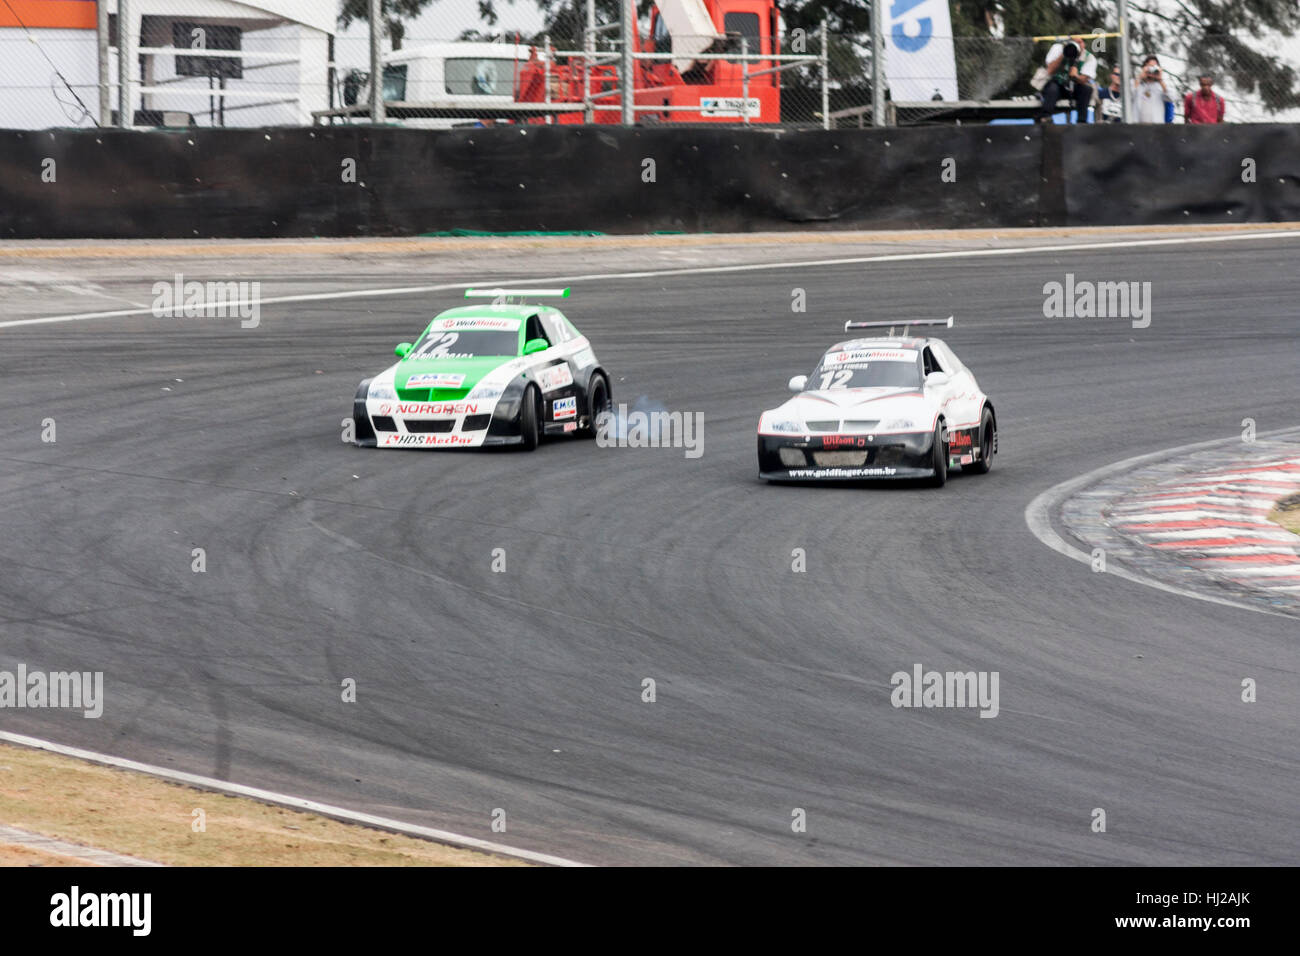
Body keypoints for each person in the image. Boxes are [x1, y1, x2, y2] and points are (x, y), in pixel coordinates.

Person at [1039, 36, 1096, 123]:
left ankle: (1081, 121)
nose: (1077, 45)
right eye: (1074, 42)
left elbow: (1084, 80)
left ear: (1084, 44)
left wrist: (1075, 76)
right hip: (1057, 85)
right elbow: (1050, 71)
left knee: (1087, 89)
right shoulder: (1058, 49)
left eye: (1080, 42)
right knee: (1052, 88)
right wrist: (1064, 53)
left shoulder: (1089, 57)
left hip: (1075, 88)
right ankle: (1045, 118)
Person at [1133, 55, 1173, 123]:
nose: (1151, 69)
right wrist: (1140, 77)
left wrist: (1160, 80)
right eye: (1149, 66)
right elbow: (1130, 96)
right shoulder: (1136, 82)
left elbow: (1171, 98)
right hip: (1137, 126)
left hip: (1156, 128)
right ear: (1144, 67)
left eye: (1154, 67)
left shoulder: (1161, 86)